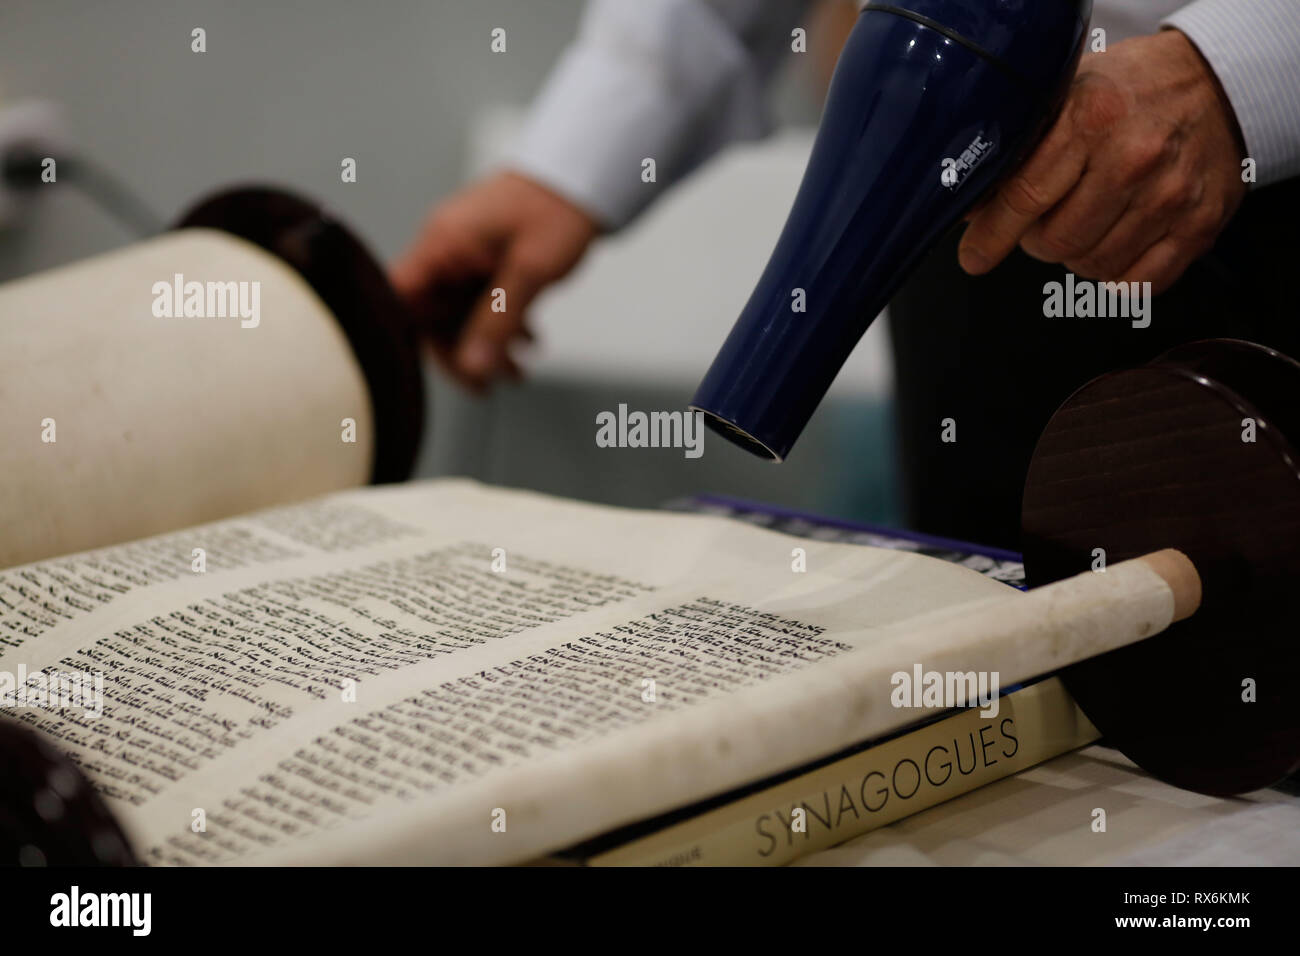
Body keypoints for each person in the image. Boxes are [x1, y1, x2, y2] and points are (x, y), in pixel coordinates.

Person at [392, 0, 1300, 548]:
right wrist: (571, 165)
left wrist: (1234, 73)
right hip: (959, 203)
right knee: (999, 700)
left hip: (1267, 201)